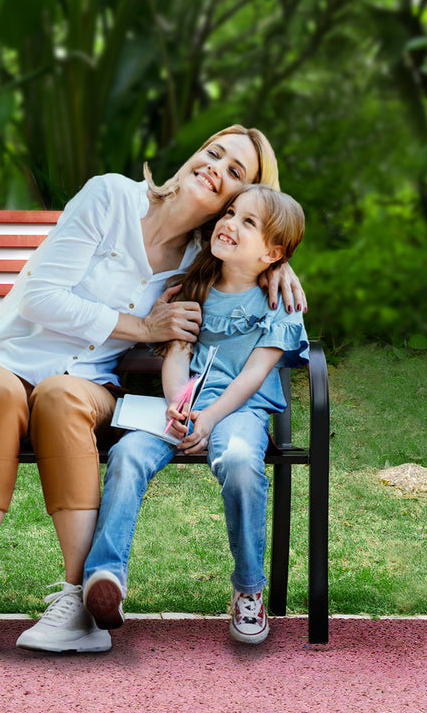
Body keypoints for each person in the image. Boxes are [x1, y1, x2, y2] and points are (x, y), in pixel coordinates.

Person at [0, 125, 305, 653]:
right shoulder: (110, 195)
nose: (214, 169)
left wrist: (284, 266)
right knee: (0, 393)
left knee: (62, 395)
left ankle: (77, 606)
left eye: (233, 173)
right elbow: (40, 298)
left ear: (239, 199)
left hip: (82, 387)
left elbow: (257, 250)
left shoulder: (202, 257)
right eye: (213, 153)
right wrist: (144, 329)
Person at [82, 184, 309, 645]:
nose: (229, 223)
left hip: (240, 410)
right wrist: (177, 405)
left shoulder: (278, 303)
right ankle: (104, 578)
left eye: (248, 222)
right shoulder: (195, 288)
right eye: (230, 212)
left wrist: (210, 419)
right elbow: (177, 355)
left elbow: (253, 375)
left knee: (242, 460)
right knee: (128, 454)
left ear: (273, 252)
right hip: (185, 407)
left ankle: (249, 591)